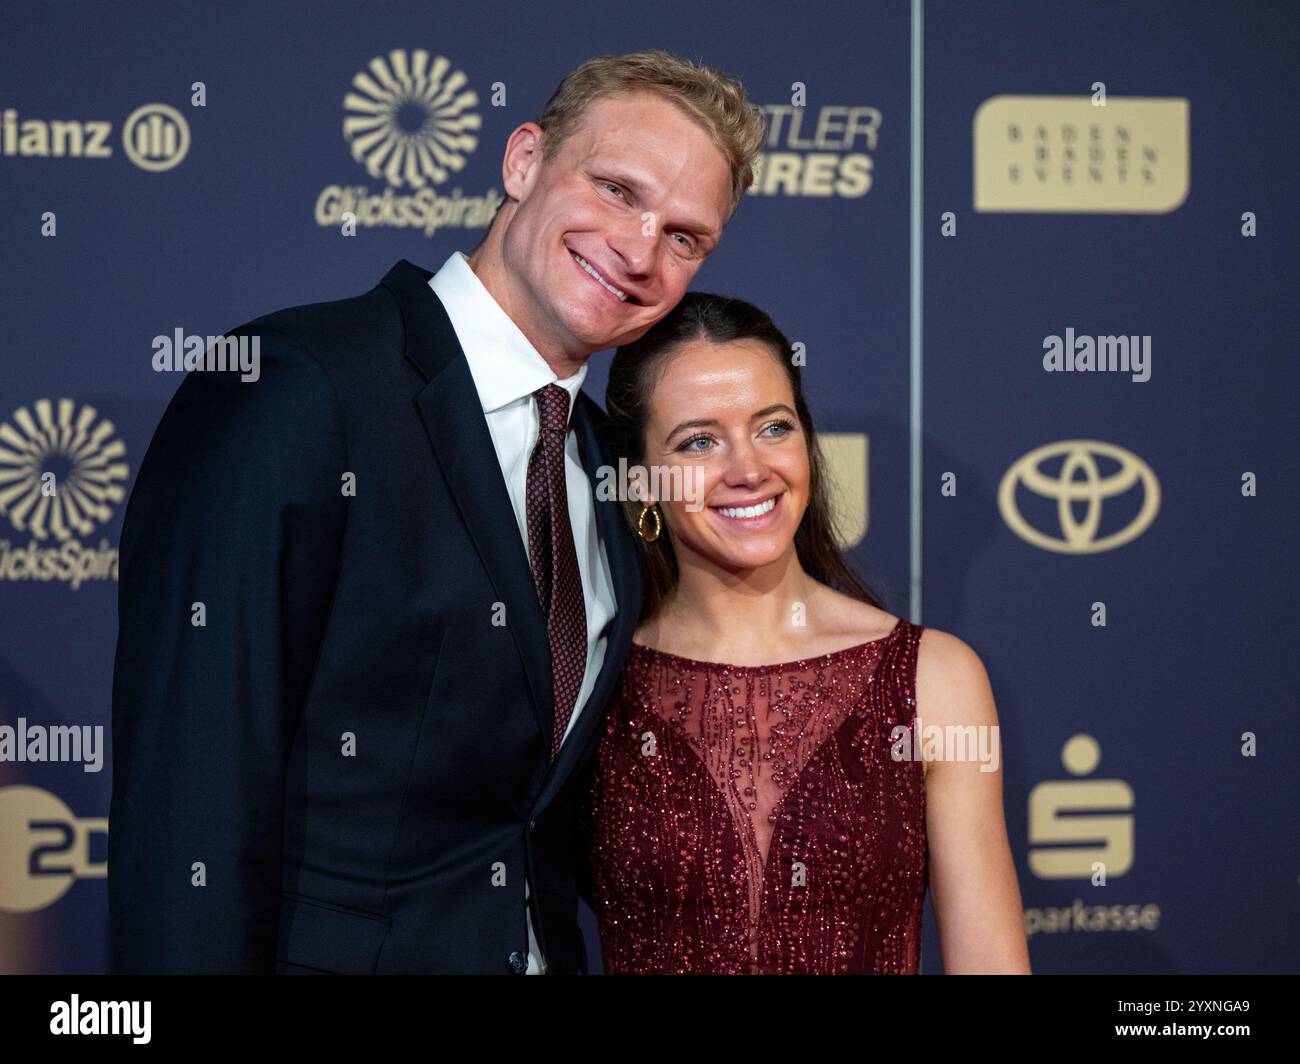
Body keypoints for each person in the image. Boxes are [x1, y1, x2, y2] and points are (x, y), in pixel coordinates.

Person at [108, 51, 766, 974]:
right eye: (617, 189)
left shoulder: (605, 461)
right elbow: (190, 787)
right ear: (524, 161)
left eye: (685, 237)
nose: (640, 250)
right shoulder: (300, 382)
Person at [580, 293, 1032, 973]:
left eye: (773, 427)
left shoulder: (932, 680)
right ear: (639, 481)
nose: (748, 469)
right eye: (699, 441)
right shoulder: (592, 679)